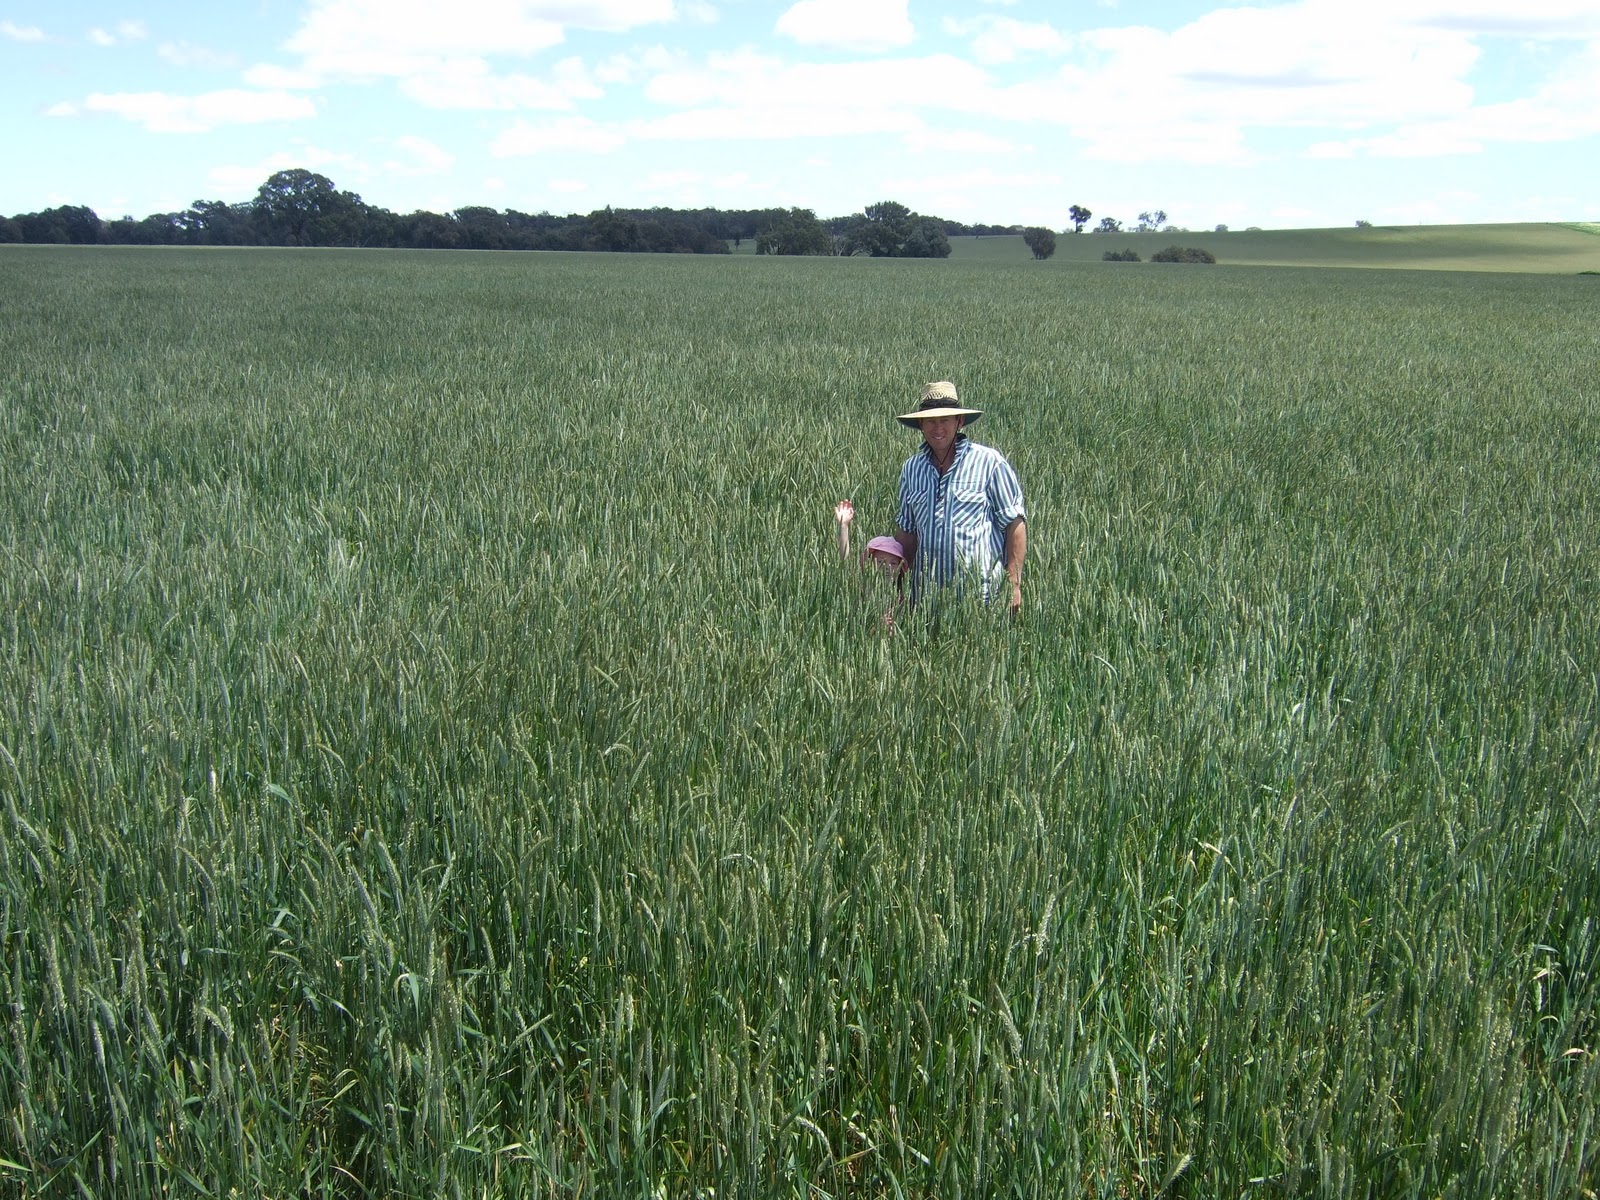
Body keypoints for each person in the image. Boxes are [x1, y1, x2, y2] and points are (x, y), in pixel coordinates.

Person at [894, 381, 1026, 615]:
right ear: (921, 425)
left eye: (945, 420)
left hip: (982, 600)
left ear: (959, 422)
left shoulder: (989, 462)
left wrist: (1014, 585)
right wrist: (898, 588)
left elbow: (1014, 523)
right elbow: (907, 532)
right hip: (926, 600)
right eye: (931, 421)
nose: (938, 428)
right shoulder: (911, 469)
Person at [835, 500, 908, 631]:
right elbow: (845, 565)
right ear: (869, 564)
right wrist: (844, 526)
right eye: (880, 562)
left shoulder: (901, 597)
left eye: (893, 563)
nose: (887, 567)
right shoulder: (862, 589)